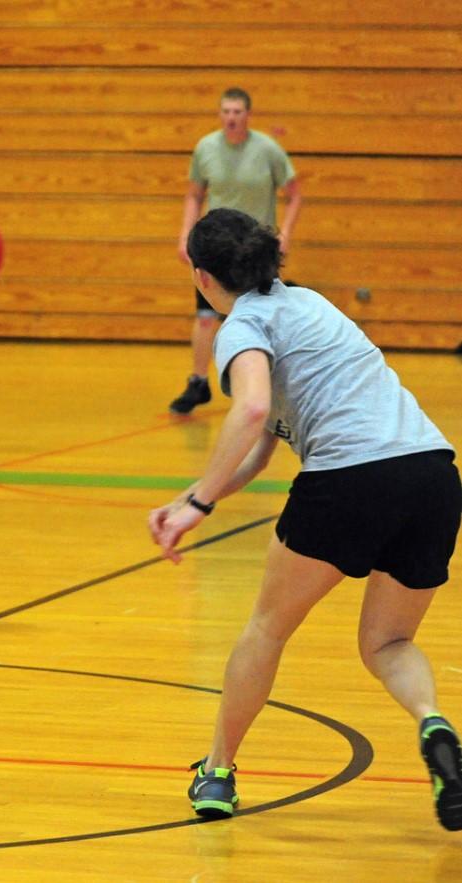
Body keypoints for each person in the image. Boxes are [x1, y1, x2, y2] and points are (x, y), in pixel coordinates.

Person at [149, 208, 461, 829]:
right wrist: (201, 488)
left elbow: (250, 407)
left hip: (349, 480)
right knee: (388, 642)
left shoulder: (239, 329)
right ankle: (436, 728)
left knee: (266, 630)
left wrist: (197, 505)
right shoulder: (310, 306)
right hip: (432, 473)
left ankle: (217, 773)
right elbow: (264, 444)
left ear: (202, 276)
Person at [171, 87, 302, 415]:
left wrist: (285, 232)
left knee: (260, 314)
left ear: (248, 115)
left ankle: (269, 382)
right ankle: (198, 382)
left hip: (255, 248)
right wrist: (185, 233)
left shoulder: (268, 149)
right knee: (205, 317)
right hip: (217, 246)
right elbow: (193, 195)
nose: (231, 118)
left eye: (237, 112)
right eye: (226, 111)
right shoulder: (206, 148)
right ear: (220, 114)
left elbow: (295, 193)